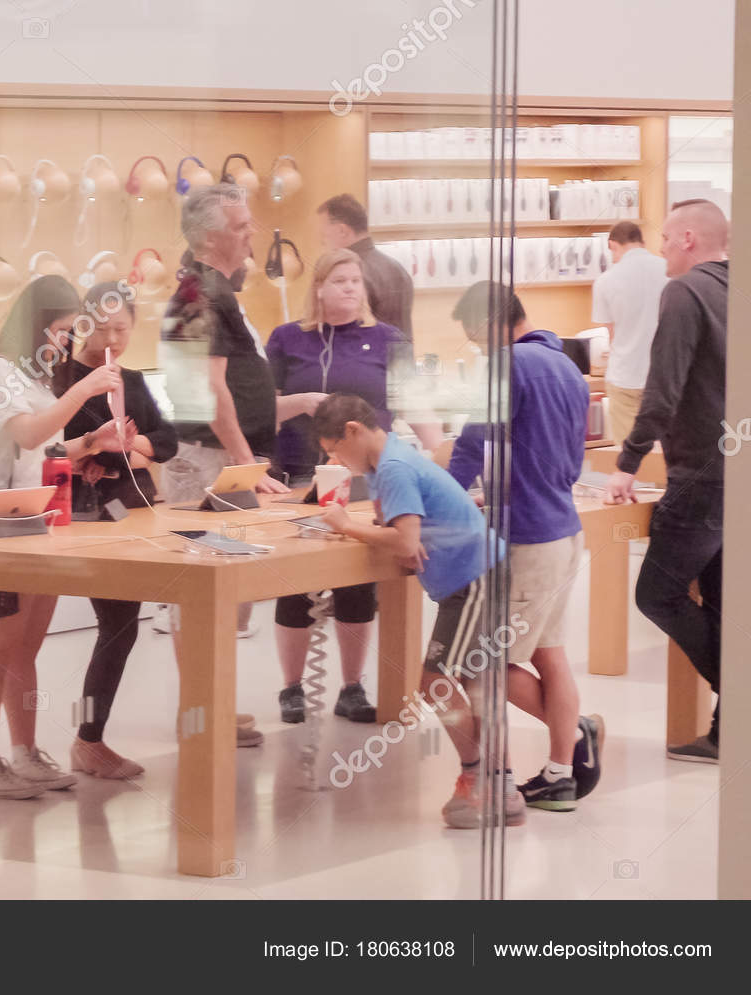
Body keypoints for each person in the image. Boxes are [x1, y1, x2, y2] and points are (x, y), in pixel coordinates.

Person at [314, 393, 523, 828]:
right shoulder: (391, 458)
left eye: (335, 450)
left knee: (436, 683)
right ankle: (498, 785)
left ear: (353, 431)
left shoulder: (392, 468)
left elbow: (407, 543)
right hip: (477, 573)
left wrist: (346, 526)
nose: (337, 460)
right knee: (475, 682)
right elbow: (409, 534)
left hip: (474, 578)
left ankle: (478, 775)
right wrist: (389, 533)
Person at [0, 274, 134, 798]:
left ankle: (24, 752)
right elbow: (28, 433)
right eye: (61, 330)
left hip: (37, 520)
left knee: (24, 650)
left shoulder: (35, 380)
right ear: (36, 324)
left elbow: (46, 452)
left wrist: (89, 442)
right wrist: (84, 389)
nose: (65, 342)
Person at [449, 281, 604, 809]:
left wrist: (445, 496)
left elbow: (473, 440)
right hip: (563, 528)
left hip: (528, 538)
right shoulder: (566, 365)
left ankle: (573, 733)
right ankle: (561, 769)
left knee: (480, 662)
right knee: (548, 653)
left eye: (475, 338)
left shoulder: (508, 365)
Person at [266, 248, 412, 726]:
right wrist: (302, 401)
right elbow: (262, 410)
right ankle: (292, 687)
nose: (351, 287)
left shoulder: (388, 340)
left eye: (357, 281)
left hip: (364, 479)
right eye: (340, 280)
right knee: (293, 582)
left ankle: (351, 686)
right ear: (319, 287)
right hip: (298, 474)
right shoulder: (288, 339)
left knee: (357, 579)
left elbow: (410, 405)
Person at [607, 199, 730, 764]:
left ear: (686, 238)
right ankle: (729, 729)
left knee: (657, 592)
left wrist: (626, 464)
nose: (657, 250)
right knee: (726, 602)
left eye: (662, 239)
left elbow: (664, 390)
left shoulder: (684, 293)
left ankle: (739, 699)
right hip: (733, 473)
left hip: (702, 477)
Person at [159, 181, 276, 747]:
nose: (251, 234)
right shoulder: (197, 295)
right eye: (240, 227)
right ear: (208, 237)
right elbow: (210, 390)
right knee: (204, 586)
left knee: (228, 586)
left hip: (219, 457)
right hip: (206, 461)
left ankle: (212, 701)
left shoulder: (213, 292)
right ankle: (200, 708)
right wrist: (245, 459)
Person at [55, 283, 179, 779]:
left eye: (122, 328)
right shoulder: (63, 377)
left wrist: (131, 450)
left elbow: (167, 440)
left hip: (132, 509)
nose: (113, 337)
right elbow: (54, 443)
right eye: (102, 328)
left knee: (122, 626)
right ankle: (88, 741)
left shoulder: (131, 379)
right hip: (82, 513)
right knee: (117, 624)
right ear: (83, 324)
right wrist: (94, 450)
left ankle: (90, 740)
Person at [591, 220, 670, 444]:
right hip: (662, 377)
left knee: (627, 449)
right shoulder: (669, 271)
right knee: (664, 450)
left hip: (624, 375)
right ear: (641, 242)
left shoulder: (605, 281)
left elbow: (612, 333)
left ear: (613, 245)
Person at [318, 193, 414, 337]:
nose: (322, 242)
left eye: (324, 235)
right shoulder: (398, 269)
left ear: (342, 231)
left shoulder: (344, 275)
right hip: (400, 357)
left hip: (361, 357)